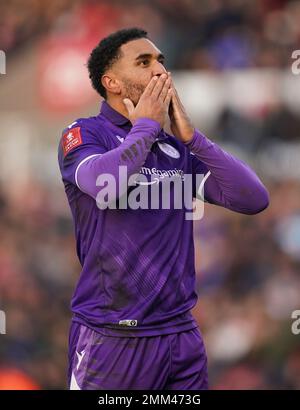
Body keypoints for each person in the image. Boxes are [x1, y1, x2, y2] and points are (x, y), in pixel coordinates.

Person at [58, 27, 269, 390]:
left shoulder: (173, 148)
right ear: (112, 82)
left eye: (160, 61)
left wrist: (194, 140)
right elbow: (104, 183)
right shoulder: (85, 133)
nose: (159, 70)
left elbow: (253, 198)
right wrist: (146, 126)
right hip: (114, 336)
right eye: (144, 62)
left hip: (180, 333)